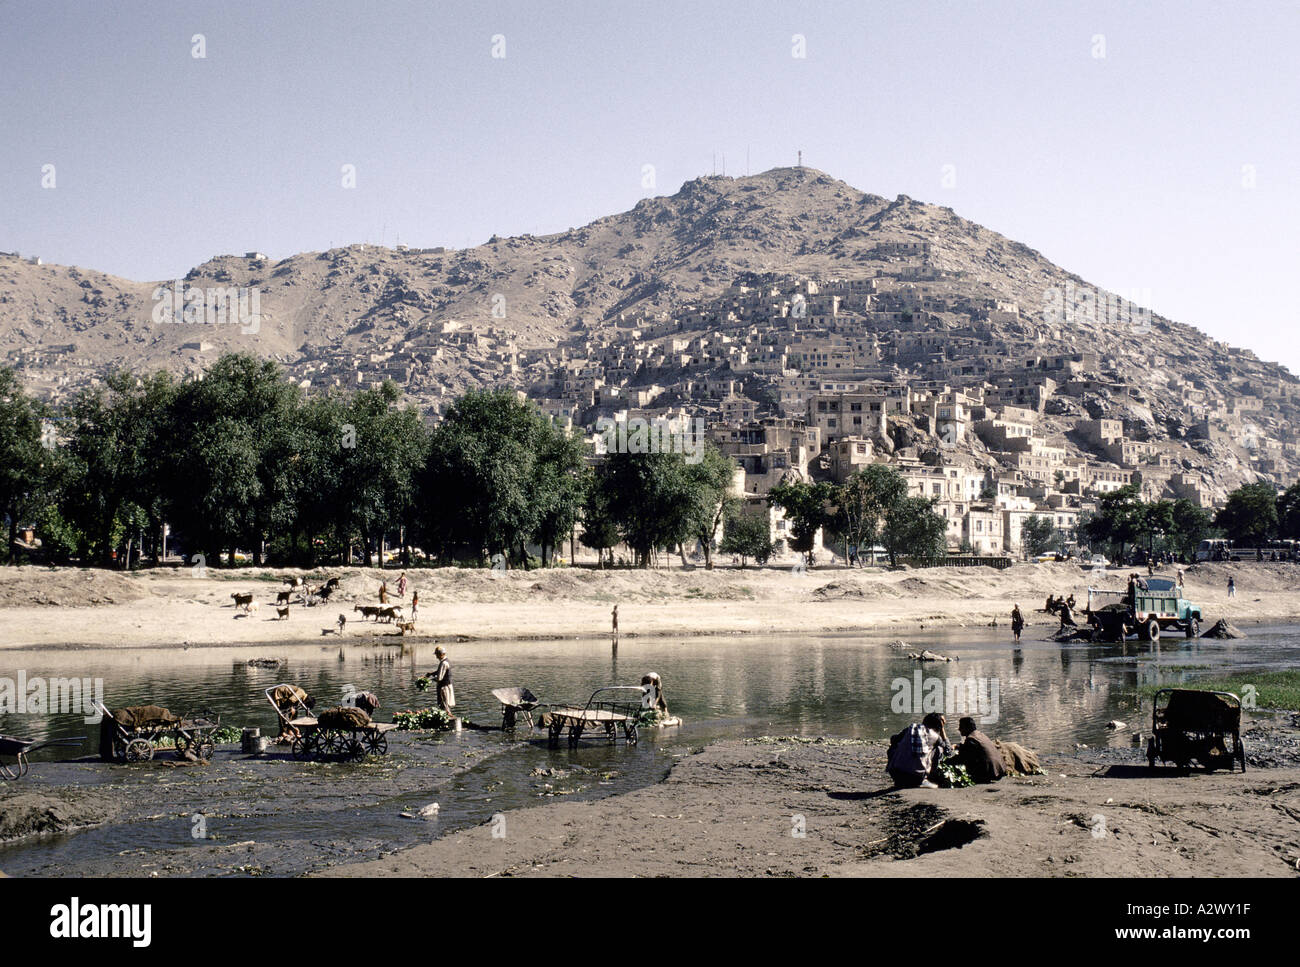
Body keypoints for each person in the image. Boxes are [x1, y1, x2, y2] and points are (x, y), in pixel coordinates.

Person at [886, 713, 952, 789]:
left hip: (896, 775)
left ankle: (900, 778)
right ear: (939, 725)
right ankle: (926, 778)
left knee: (895, 746)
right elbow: (948, 751)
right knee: (939, 749)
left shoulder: (910, 729)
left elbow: (893, 739)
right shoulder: (936, 737)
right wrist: (942, 730)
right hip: (916, 779)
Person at [948, 717, 1006, 784]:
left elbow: (961, 758)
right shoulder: (980, 734)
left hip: (991, 775)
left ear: (967, 728)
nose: (959, 729)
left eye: (961, 727)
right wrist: (957, 746)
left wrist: (946, 762)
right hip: (1000, 771)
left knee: (969, 762)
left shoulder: (970, 740)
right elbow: (969, 748)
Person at [433, 646, 455, 714]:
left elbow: (439, 678)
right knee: (445, 705)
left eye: (437, 655)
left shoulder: (443, 663)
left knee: (444, 706)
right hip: (447, 686)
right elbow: (440, 671)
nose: (436, 657)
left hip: (444, 687)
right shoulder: (446, 661)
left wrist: (430, 680)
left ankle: (447, 719)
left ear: (441, 654)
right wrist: (432, 673)